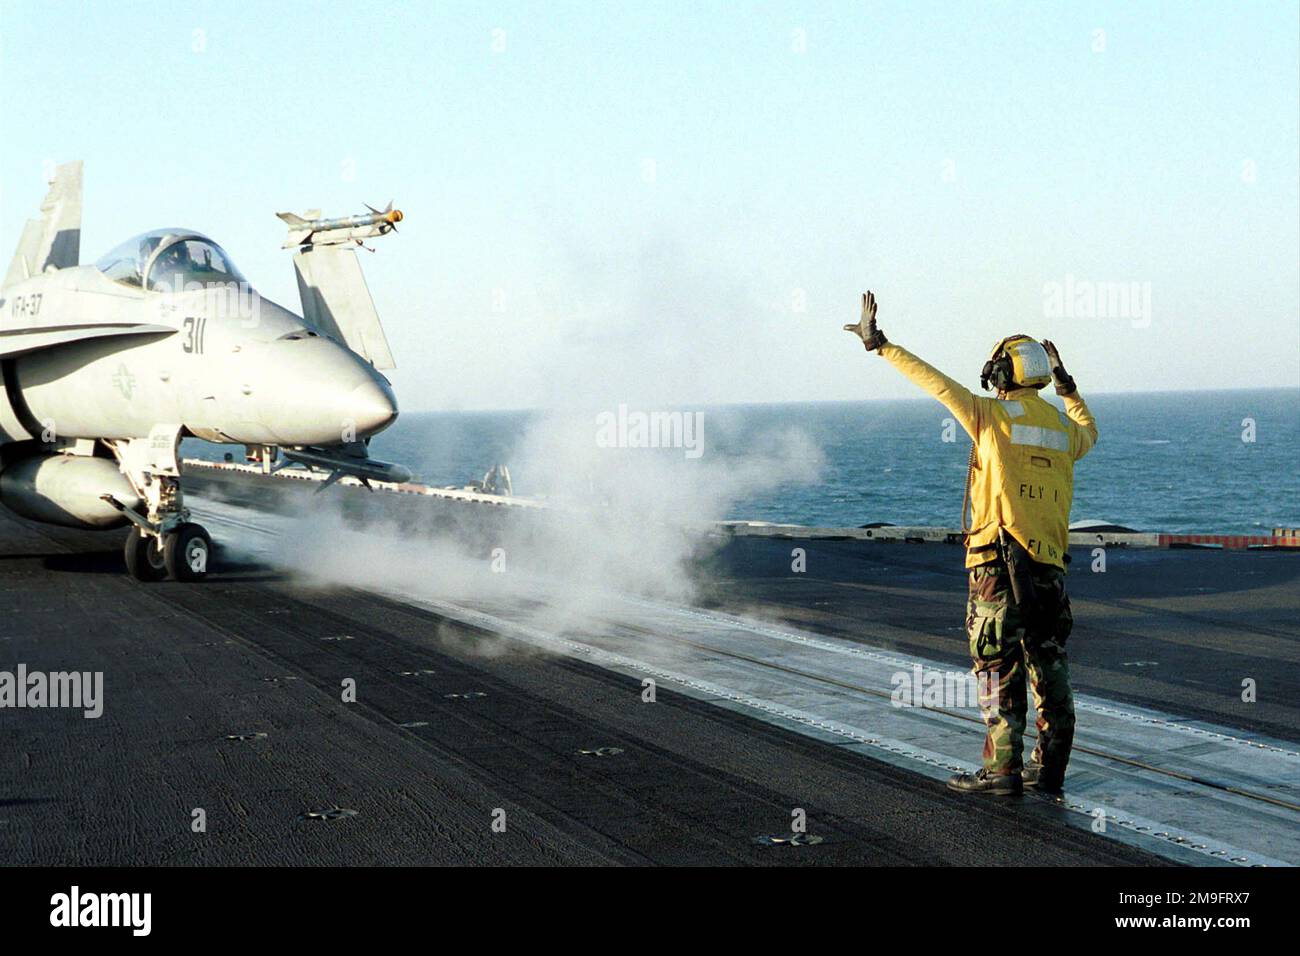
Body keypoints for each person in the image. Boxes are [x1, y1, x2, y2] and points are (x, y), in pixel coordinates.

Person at [844, 291, 1097, 795]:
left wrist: (879, 344)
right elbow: (1090, 428)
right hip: (1049, 571)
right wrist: (1068, 390)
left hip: (997, 567)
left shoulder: (988, 416)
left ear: (1001, 374)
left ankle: (1002, 769)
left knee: (996, 669)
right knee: (1048, 663)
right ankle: (1049, 768)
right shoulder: (1064, 431)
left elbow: (935, 383)